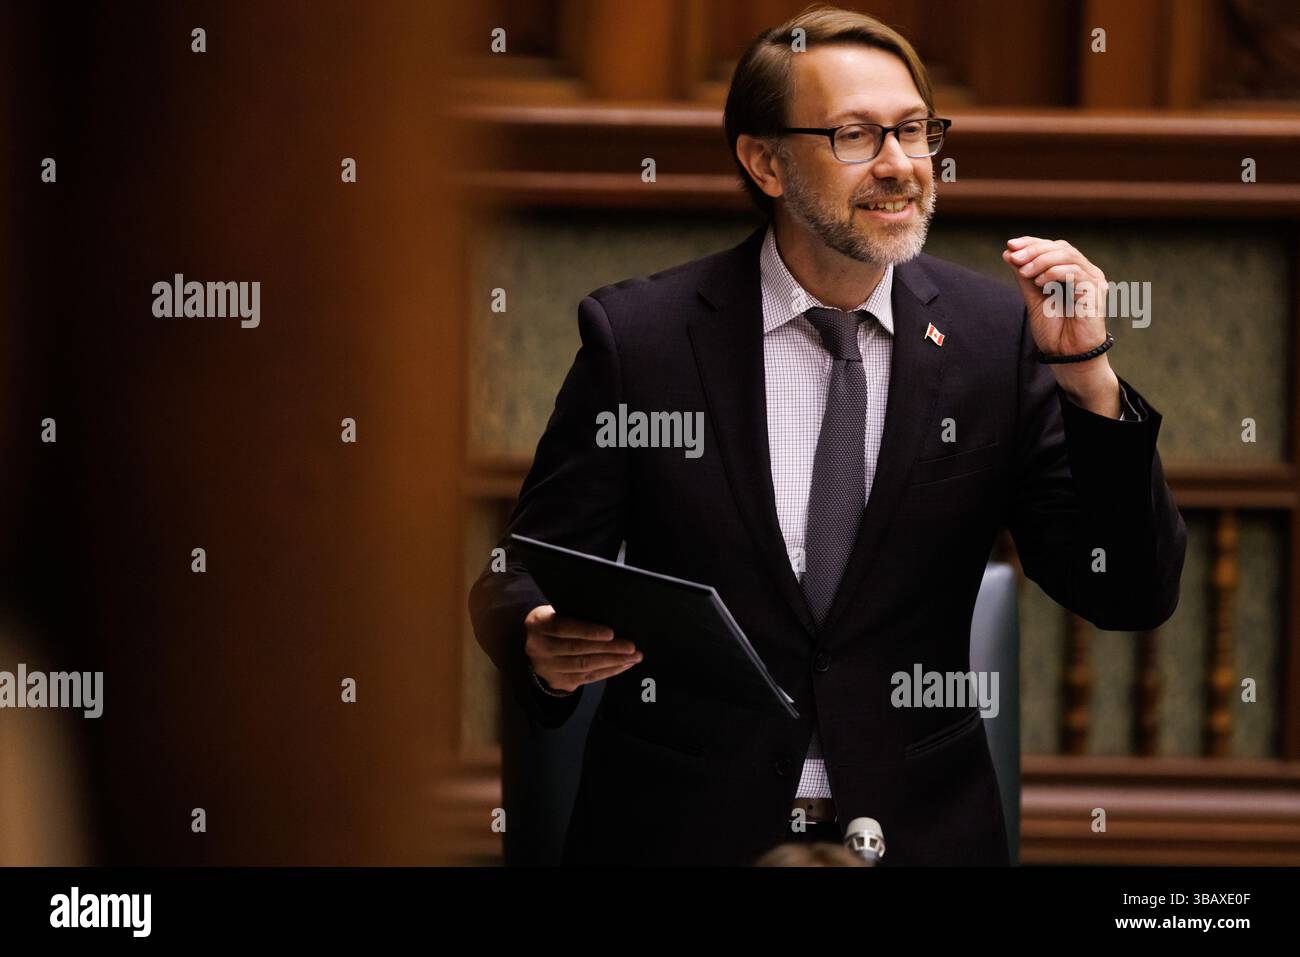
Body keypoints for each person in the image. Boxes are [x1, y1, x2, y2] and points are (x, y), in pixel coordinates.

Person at [468, 6, 1186, 866]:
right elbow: (521, 570)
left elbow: (1129, 592)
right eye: (855, 135)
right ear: (764, 162)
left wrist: (1088, 380)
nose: (899, 166)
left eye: (916, 131)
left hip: (918, 836)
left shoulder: (995, 337)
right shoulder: (645, 340)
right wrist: (541, 641)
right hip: (684, 835)